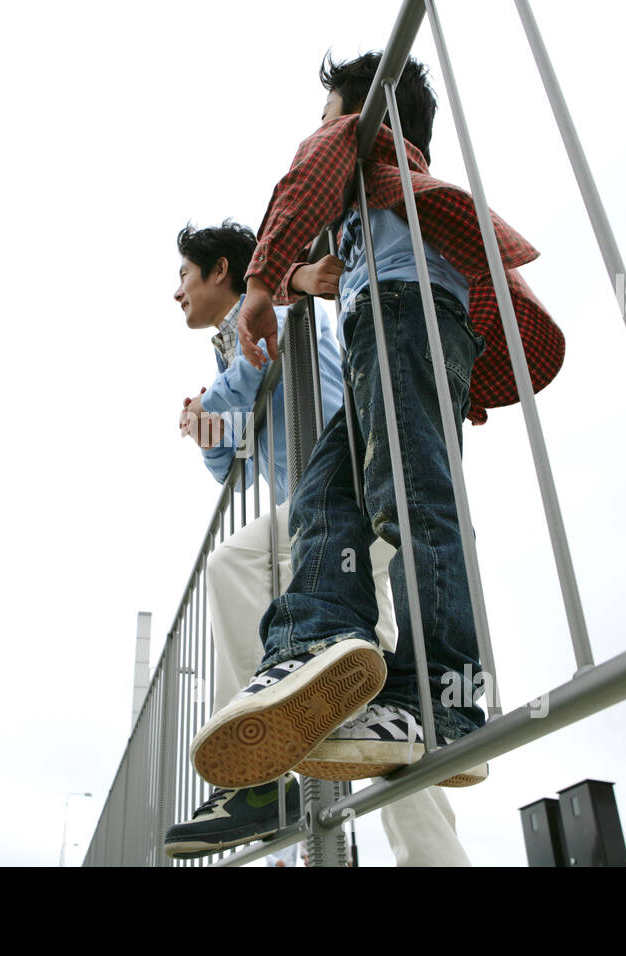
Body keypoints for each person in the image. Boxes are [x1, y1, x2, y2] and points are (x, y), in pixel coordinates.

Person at [190, 52, 564, 793]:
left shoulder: (367, 147)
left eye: (327, 116)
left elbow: (306, 180)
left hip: (398, 320)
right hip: (385, 331)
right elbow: (333, 256)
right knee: (326, 497)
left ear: (360, 117)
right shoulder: (379, 204)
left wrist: (261, 283)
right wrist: (296, 278)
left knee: (414, 495)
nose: (323, 129)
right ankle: (319, 637)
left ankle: (445, 693)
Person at [163, 220, 472, 866]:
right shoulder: (236, 341)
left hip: (347, 490)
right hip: (317, 521)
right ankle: (436, 857)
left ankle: (259, 777)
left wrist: (204, 412)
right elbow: (228, 464)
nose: (177, 292)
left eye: (184, 276)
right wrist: (208, 423)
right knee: (380, 699)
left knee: (233, 565)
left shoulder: (272, 303)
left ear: (221, 270)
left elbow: (239, 393)